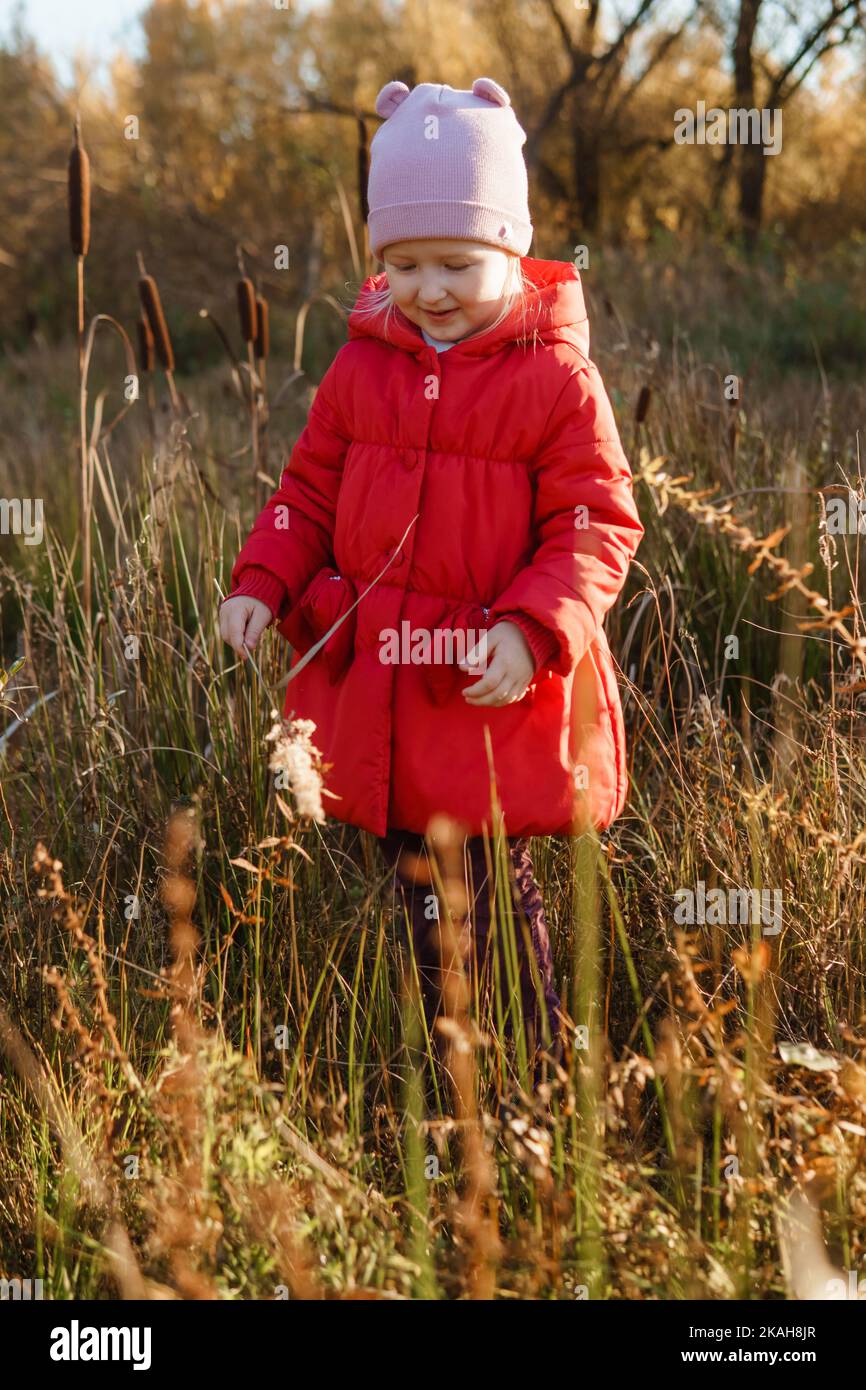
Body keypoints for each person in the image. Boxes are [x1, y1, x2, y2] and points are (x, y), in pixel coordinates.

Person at [219, 77, 644, 1084]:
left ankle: (531, 1079)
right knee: (416, 879)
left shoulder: (552, 378)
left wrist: (535, 626)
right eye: (404, 263)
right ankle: (449, 1061)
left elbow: (597, 523)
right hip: (379, 684)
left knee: (489, 888)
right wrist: (262, 579)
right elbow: (306, 492)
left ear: (512, 248)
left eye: (458, 260)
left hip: (489, 685)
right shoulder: (361, 366)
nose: (431, 287)